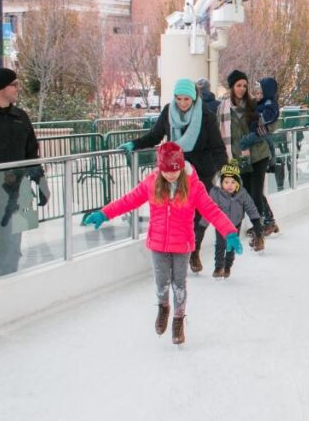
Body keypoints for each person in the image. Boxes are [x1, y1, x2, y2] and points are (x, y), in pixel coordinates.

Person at [84, 142, 239, 345]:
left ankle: (178, 319)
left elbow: (212, 210)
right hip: (157, 243)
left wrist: (229, 232)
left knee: (179, 284)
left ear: (181, 167)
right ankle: (163, 307)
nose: (171, 175)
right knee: (161, 283)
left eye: (174, 171)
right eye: (166, 171)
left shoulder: (194, 186)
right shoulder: (152, 182)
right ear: (160, 168)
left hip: (182, 244)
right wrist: (104, 213)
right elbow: (128, 200)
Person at [119, 78, 227, 274]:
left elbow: (218, 148)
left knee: (199, 214)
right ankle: (182, 249)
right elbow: (154, 136)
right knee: (181, 212)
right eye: (179, 99)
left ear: (194, 98)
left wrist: (228, 173)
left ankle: (194, 251)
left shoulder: (206, 116)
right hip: (175, 170)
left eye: (187, 99)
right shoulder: (169, 111)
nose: (183, 103)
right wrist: (134, 144)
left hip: (202, 170)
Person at [0, 68, 45, 280]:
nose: (18, 88)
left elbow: (32, 153)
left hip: (17, 191)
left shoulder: (21, 117)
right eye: (14, 84)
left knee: (13, 246)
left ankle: (8, 288)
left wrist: (41, 184)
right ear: (1, 88)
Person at [219, 70, 280, 242]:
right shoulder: (223, 108)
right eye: (238, 85)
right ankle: (267, 220)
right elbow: (218, 130)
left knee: (255, 192)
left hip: (259, 153)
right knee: (249, 192)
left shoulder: (254, 103)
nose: (242, 89)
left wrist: (265, 129)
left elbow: (275, 121)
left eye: (244, 85)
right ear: (232, 87)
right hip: (239, 157)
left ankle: (258, 230)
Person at [203, 160, 264, 276]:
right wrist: (202, 225)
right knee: (220, 245)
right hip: (221, 224)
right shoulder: (216, 193)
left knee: (231, 246)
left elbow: (251, 209)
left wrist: (257, 226)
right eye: (226, 182)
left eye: (233, 182)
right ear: (221, 183)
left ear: (238, 183)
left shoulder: (242, 193)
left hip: (235, 224)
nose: (229, 185)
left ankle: (228, 266)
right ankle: (218, 266)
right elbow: (208, 209)